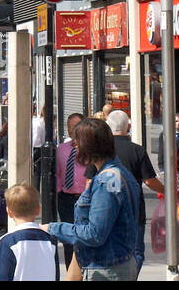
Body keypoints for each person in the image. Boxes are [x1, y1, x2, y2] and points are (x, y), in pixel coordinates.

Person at [45, 117, 139, 280]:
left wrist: (51, 228)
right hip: (115, 264)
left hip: (106, 269)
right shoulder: (119, 174)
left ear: (89, 146)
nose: (75, 146)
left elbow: (94, 233)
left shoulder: (107, 181)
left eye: (78, 142)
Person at [98, 109, 163, 277]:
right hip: (133, 210)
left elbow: (90, 181)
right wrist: (167, 190)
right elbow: (149, 181)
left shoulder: (100, 151)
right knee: (136, 251)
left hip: (106, 209)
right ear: (127, 127)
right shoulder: (137, 150)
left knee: (110, 248)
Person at [0, 183, 62, 281]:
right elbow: (55, 275)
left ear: (9, 212)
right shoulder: (50, 241)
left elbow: (1, 276)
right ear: (38, 210)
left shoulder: (8, 242)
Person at [54, 113, 87, 267]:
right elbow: (59, 172)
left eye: (74, 126)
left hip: (84, 198)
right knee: (68, 237)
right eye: (68, 126)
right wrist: (59, 190)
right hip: (66, 198)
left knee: (83, 238)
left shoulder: (89, 150)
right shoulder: (61, 148)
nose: (71, 130)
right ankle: (70, 270)